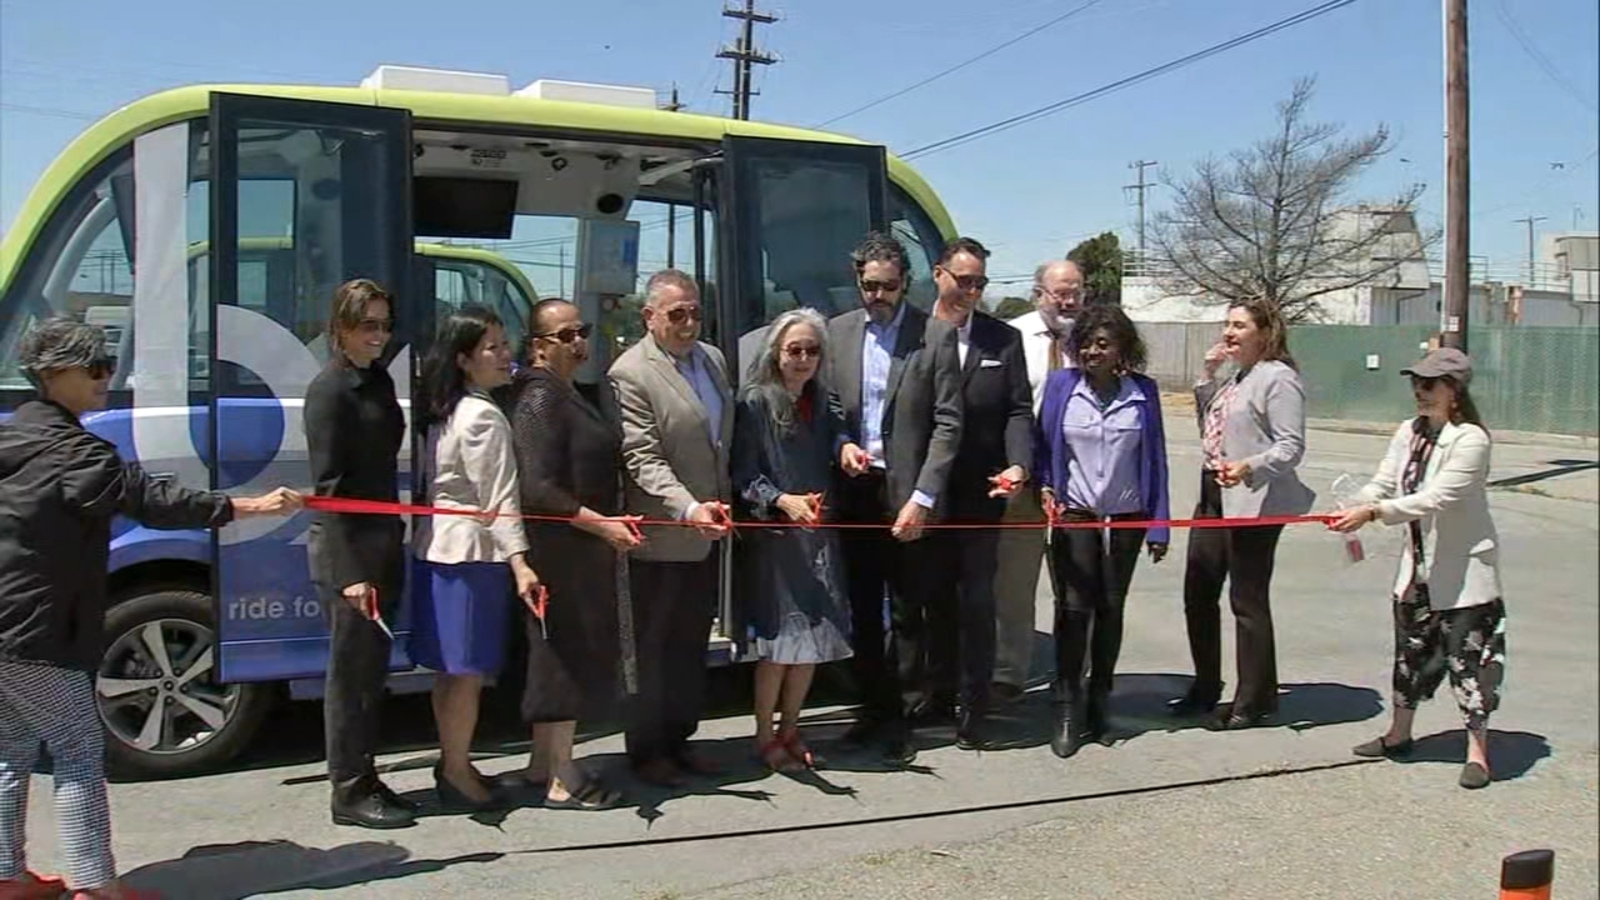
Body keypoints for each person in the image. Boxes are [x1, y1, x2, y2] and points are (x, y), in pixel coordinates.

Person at [0, 318, 301, 900]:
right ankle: (95, 886)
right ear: (53, 374)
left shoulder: (11, 437)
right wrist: (248, 505)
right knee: (79, 749)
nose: (106, 376)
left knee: (10, 749)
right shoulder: (75, 454)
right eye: (93, 367)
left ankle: (7, 874)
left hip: (6, 621)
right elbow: (153, 501)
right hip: (37, 628)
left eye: (106, 363)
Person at [1330, 348, 1505, 789]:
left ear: (1454, 390)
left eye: (1429, 385)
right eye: (1416, 384)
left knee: (1469, 661)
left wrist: (1373, 513)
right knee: (1409, 655)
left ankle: (1477, 753)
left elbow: (1438, 497)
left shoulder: (1470, 439)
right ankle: (1398, 734)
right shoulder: (1409, 431)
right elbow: (1385, 481)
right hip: (1416, 570)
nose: (1419, 392)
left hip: (1464, 573)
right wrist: (1355, 504)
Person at [827, 231, 963, 765]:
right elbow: (833, 409)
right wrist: (841, 446)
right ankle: (871, 709)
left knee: (909, 612)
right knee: (861, 608)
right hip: (856, 489)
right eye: (868, 286)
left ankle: (904, 717)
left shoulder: (935, 337)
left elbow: (949, 423)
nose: (877, 295)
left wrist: (923, 496)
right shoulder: (837, 333)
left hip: (909, 492)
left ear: (906, 283)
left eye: (887, 286)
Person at [499, 298, 638, 810]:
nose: (579, 341)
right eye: (565, 335)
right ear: (538, 347)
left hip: (581, 549)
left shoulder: (566, 393)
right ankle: (562, 774)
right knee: (561, 657)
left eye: (583, 330)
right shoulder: (539, 398)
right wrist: (602, 525)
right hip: (560, 549)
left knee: (566, 653)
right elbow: (537, 487)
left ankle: (542, 763)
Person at [411, 306, 542, 812]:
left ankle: (454, 760)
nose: (506, 355)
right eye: (493, 347)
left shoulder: (445, 408)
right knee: (465, 673)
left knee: (450, 671)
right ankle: (457, 769)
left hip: (436, 548)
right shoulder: (483, 415)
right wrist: (520, 562)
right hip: (471, 555)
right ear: (465, 359)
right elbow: (499, 498)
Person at [608, 269, 734, 788]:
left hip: (708, 534)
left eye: (695, 312)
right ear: (650, 317)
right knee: (652, 650)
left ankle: (681, 738)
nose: (688, 323)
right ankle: (647, 749)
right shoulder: (630, 373)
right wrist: (688, 508)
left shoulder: (713, 359)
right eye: (676, 314)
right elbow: (642, 457)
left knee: (689, 646)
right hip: (661, 535)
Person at [1033, 304, 1170, 758]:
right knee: (1074, 609)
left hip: (1128, 516)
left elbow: (1157, 461)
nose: (1092, 351)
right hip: (1076, 513)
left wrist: (1159, 526)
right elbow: (1041, 445)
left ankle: (1100, 703)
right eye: (1086, 343)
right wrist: (1045, 485)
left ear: (1122, 351)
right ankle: (1067, 706)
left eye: (1103, 344)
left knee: (1112, 608)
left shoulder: (1143, 393)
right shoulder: (1060, 387)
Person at [303, 278, 416, 829]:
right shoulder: (330, 391)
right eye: (368, 325)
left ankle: (368, 777)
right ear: (341, 328)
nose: (379, 335)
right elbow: (329, 490)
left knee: (372, 674)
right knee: (349, 676)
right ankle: (347, 789)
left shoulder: (376, 380)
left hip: (382, 540)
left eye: (385, 325)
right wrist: (350, 574)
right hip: (347, 552)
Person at [1173, 297, 1314, 729]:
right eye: (1227, 325)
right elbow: (1212, 430)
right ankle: (1206, 684)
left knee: (1246, 600)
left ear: (1264, 332)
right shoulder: (1239, 377)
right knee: (1198, 589)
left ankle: (1251, 700)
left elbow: (1291, 446)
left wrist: (1249, 466)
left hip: (1253, 498)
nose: (1229, 333)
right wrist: (1208, 376)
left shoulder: (1278, 379)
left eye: (1239, 326)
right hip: (1214, 492)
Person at [731, 308, 854, 772]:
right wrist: (781, 499)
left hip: (819, 536)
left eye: (812, 351)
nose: (803, 359)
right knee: (780, 644)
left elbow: (839, 432)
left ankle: (791, 729)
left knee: (814, 641)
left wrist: (848, 448)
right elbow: (744, 474)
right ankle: (764, 734)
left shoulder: (822, 399)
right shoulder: (756, 402)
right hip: (778, 539)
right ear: (776, 354)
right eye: (794, 350)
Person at [926, 237, 1032, 749]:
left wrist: (1018, 463)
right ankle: (933, 695)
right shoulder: (912, 333)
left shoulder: (1002, 339)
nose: (972, 291)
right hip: (922, 490)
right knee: (930, 600)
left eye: (980, 283)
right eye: (963, 280)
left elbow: (1017, 408)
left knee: (976, 601)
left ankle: (975, 705)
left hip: (980, 492)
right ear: (938, 274)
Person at [994, 260, 1085, 703]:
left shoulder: (1092, 340)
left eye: (1075, 292)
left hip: (1078, 484)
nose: (1068, 302)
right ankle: (1009, 673)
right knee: (1014, 584)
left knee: (1075, 585)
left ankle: (1073, 674)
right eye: (1059, 293)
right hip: (1025, 480)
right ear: (1038, 294)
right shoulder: (1012, 337)